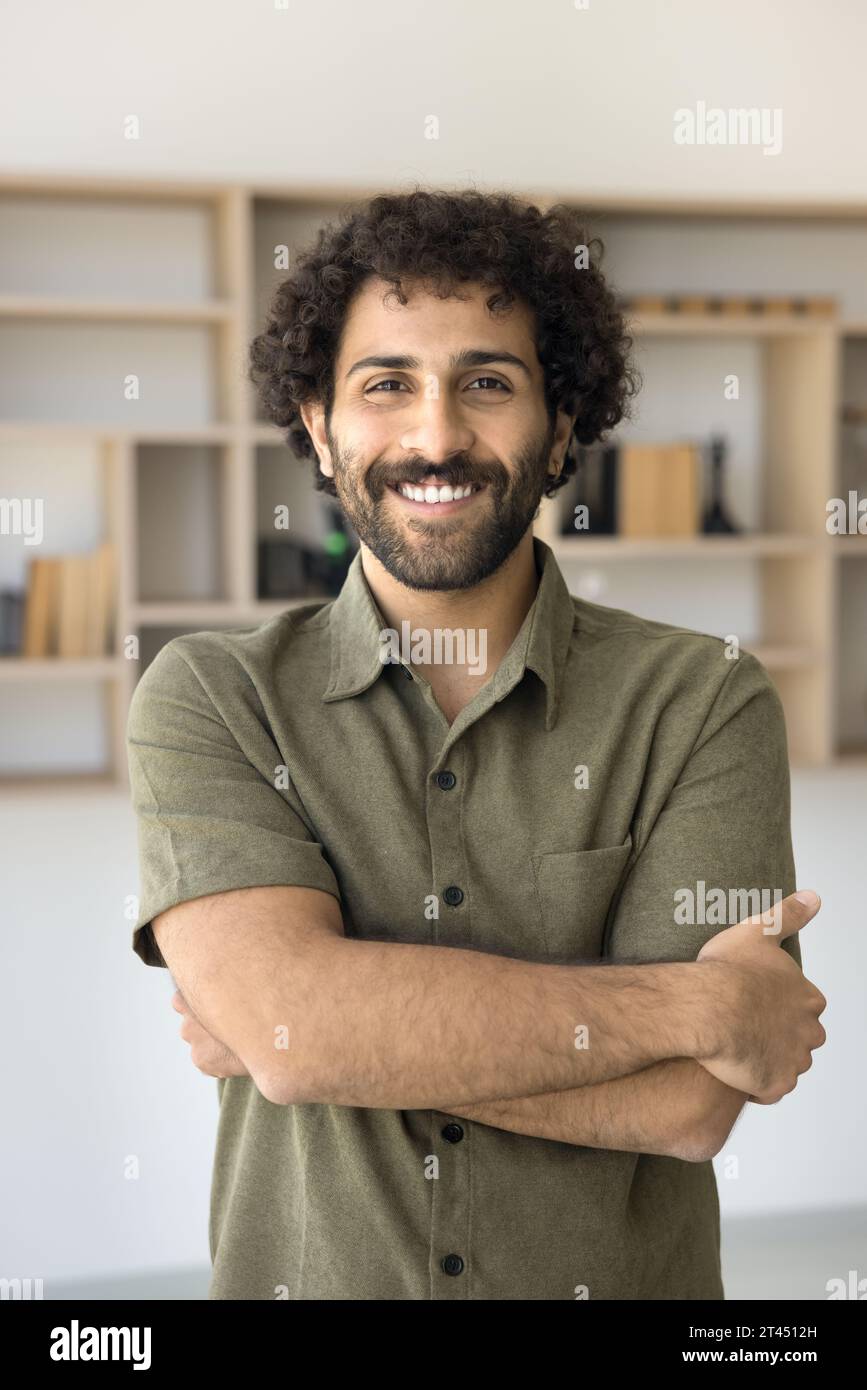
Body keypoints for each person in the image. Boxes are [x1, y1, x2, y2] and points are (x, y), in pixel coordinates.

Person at [126, 187, 827, 1300]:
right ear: (318, 422)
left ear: (559, 429)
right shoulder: (213, 697)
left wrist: (317, 1043)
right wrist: (691, 1007)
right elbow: (297, 1032)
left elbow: (692, 1108)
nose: (437, 435)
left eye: (487, 383)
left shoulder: (705, 701)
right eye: (387, 384)